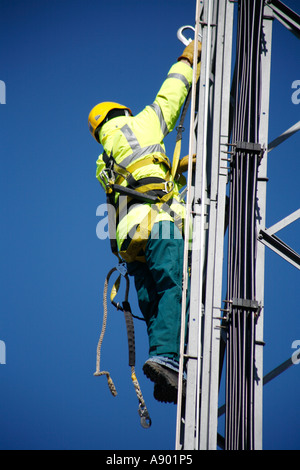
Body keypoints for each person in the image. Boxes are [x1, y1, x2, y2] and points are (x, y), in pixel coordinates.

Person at [88, 40, 201, 404]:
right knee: (174, 284)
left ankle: (163, 367)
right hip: (158, 223)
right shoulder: (141, 125)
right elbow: (172, 96)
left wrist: (176, 170)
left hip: (129, 241)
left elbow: (144, 179)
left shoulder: (105, 162)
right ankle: (169, 357)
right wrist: (188, 58)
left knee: (152, 299)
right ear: (123, 112)